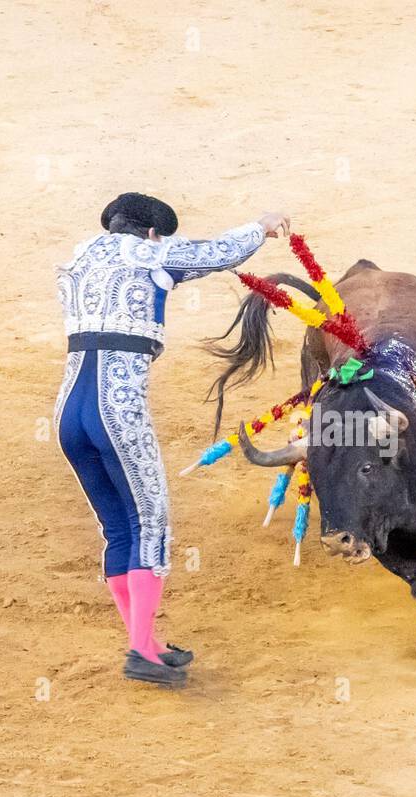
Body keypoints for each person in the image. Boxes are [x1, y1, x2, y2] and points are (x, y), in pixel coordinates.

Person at [55, 193, 290, 686]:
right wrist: (261, 226)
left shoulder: (78, 257)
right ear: (153, 233)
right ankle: (141, 650)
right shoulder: (148, 251)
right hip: (114, 409)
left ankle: (147, 644)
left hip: (68, 415)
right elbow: (213, 254)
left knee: (119, 529)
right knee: (150, 522)